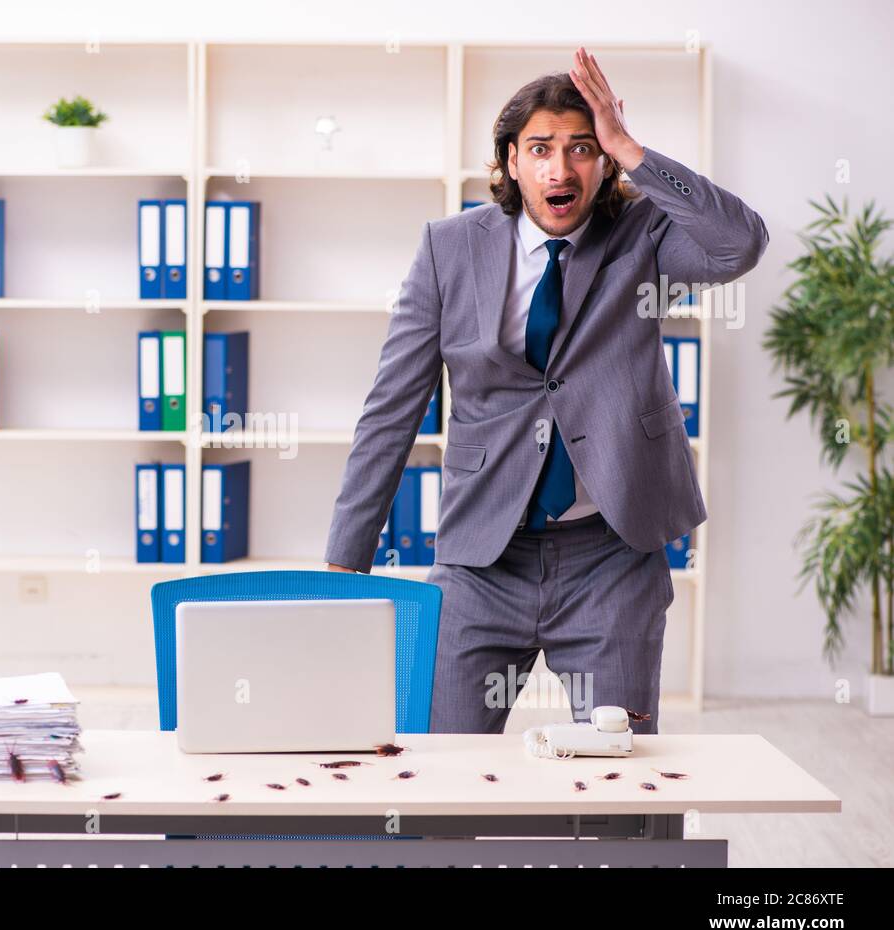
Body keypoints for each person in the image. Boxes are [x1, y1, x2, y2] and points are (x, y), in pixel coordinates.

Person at [323, 48, 768, 734]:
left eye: (582, 148)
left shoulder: (642, 237)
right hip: (480, 561)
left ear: (604, 161)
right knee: (444, 779)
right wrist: (345, 556)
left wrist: (633, 148)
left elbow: (738, 244)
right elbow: (391, 410)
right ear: (508, 162)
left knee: (619, 790)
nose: (561, 169)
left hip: (612, 556)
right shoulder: (448, 250)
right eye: (540, 149)